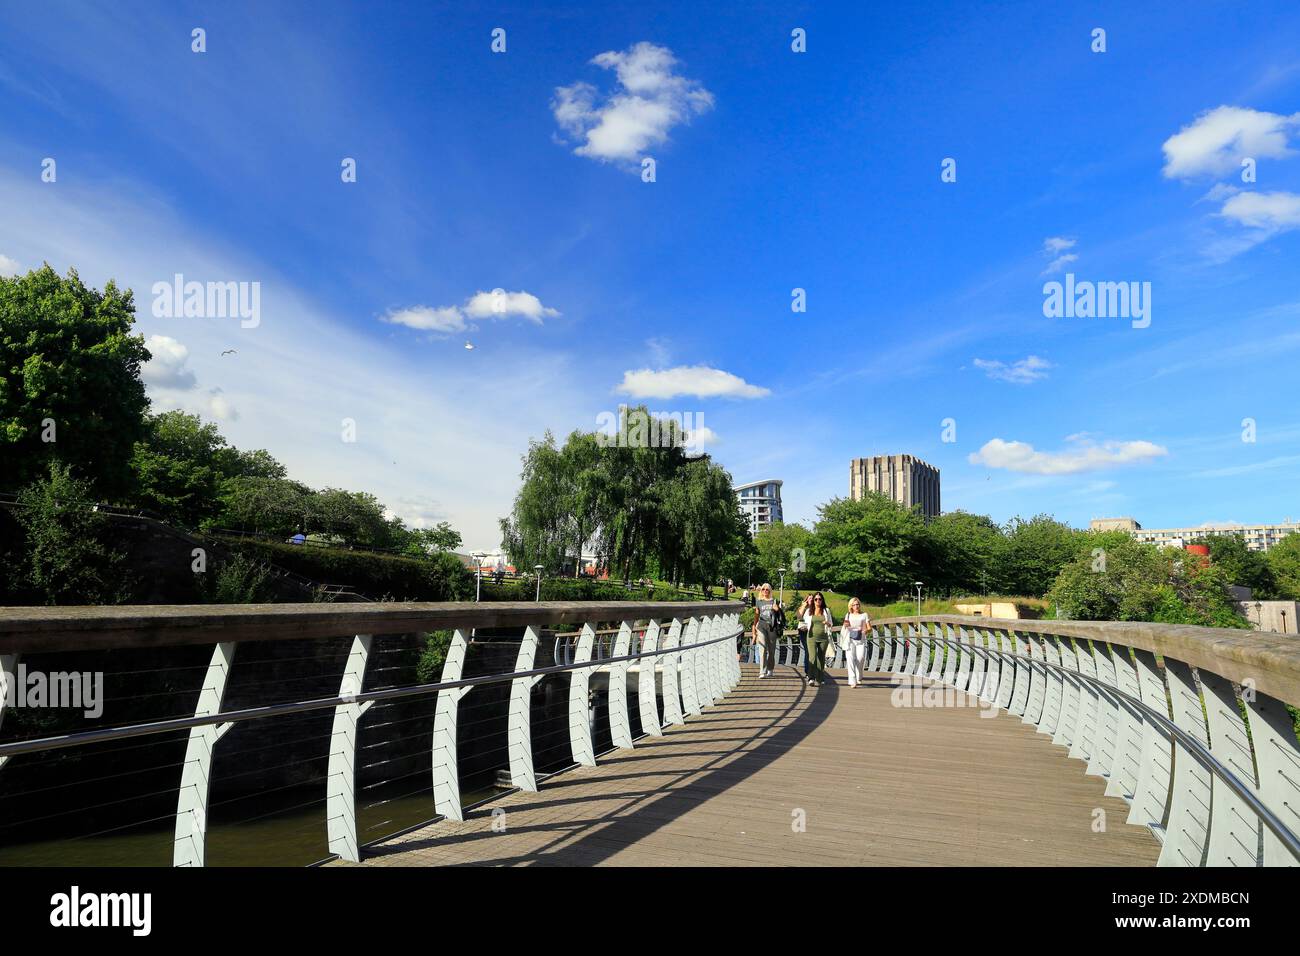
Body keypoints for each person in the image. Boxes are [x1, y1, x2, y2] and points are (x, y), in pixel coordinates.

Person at [798, 592, 834, 687]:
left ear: (822, 600)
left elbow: (831, 624)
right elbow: (799, 617)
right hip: (811, 637)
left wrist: (827, 623)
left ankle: (820, 677)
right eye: (816, 599)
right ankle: (811, 677)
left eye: (820, 599)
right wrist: (803, 605)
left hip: (823, 637)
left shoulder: (826, 611)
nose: (818, 601)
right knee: (812, 657)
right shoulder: (809, 611)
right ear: (813, 601)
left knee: (821, 658)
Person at [840, 597, 871, 688]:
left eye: (857, 604)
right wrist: (849, 627)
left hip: (861, 640)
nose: (856, 606)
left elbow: (869, 627)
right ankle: (852, 680)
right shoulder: (848, 615)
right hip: (850, 640)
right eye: (854, 605)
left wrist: (865, 631)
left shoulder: (864, 615)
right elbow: (845, 626)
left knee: (860, 658)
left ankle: (859, 676)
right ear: (851, 606)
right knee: (850, 659)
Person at [752, 583, 780, 678]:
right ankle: (762, 671)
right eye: (763, 589)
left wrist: (777, 609)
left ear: (770, 590)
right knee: (762, 647)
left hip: (772, 626)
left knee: (771, 649)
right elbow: (756, 615)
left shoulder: (774, 601)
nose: (765, 591)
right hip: (761, 625)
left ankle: (770, 668)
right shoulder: (759, 601)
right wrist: (754, 627)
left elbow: (780, 615)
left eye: (767, 589)